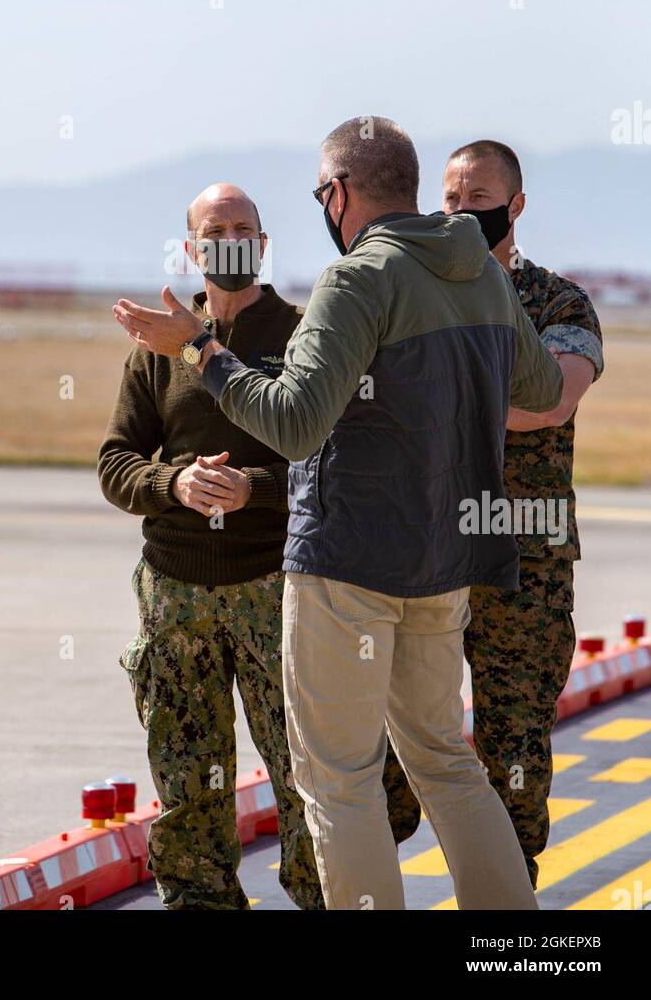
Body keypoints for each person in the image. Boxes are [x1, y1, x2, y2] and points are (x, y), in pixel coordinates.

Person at [113, 117, 565, 911]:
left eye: (325, 192)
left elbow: (293, 423)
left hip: (350, 562)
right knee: (444, 762)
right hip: (446, 559)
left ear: (342, 193)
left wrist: (201, 352)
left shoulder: (355, 280)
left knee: (338, 779)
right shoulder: (480, 274)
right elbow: (537, 388)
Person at [98, 181, 419, 911]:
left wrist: (257, 489)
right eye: (216, 230)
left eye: (244, 227)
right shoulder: (161, 348)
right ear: (191, 249)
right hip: (175, 593)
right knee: (187, 785)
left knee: (305, 775)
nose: (231, 240)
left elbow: (342, 459)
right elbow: (116, 462)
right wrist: (176, 483)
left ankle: (321, 900)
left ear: (265, 243)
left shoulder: (305, 334)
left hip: (280, 589)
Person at [442, 138, 604, 887]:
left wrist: (440, 402)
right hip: (428, 553)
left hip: (522, 555)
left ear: (516, 204)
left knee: (514, 748)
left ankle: (506, 907)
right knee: (397, 748)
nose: (464, 212)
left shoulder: (557, 302)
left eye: (479, 200)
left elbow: (553, 399)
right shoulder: (420, 295)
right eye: (452, 200)